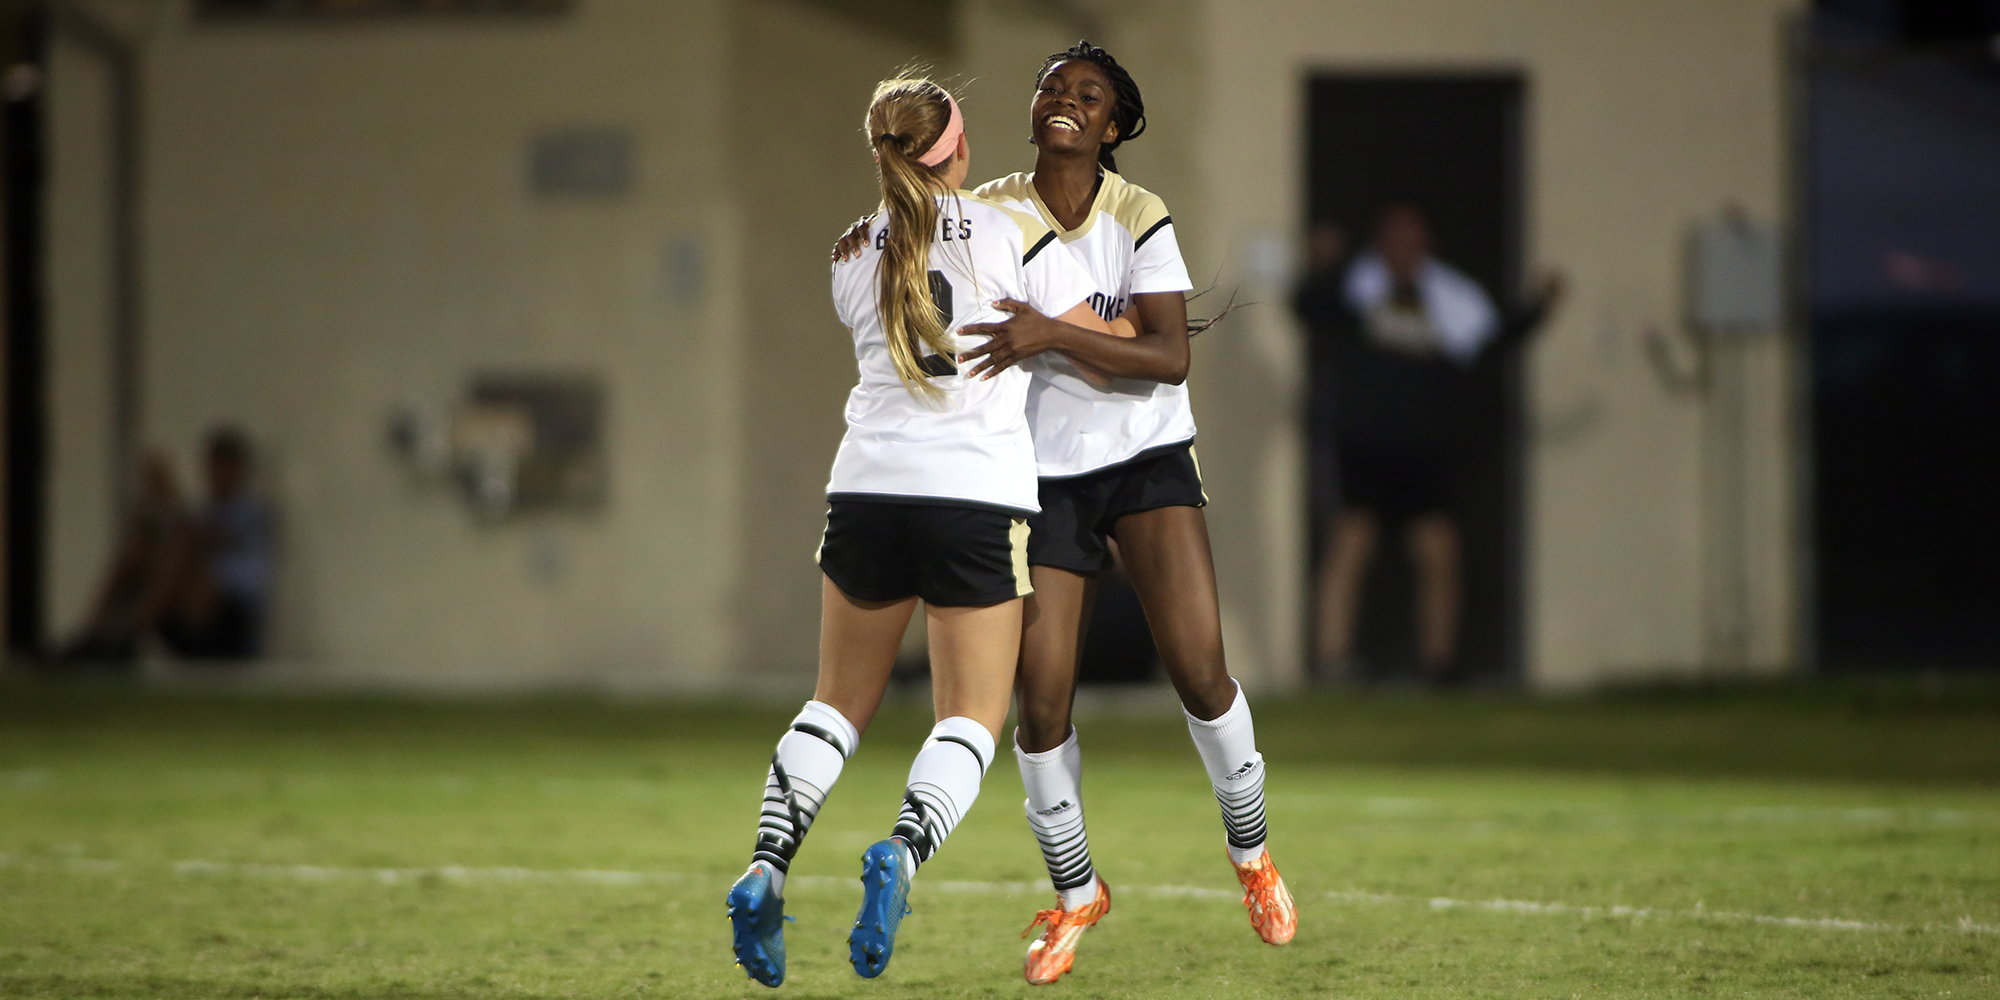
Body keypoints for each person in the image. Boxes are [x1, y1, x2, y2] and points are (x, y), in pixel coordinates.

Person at [841, 41, 1298, 984]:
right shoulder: (990, 210)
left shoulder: (1138, 214)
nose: (1065, 101)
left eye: (1088, 94)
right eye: (1054, 87)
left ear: (1114, 124)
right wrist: (863, 231)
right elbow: (912, 225)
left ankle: (1252, 856)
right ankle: (1077, 891)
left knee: (1203, 672)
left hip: (1145, 460)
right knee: (1039, 705)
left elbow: (1169, 356)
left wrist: (1052, 331)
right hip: (1038, 478)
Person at [725, 74, 1115, 988]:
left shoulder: (848, 252)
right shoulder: (1012, 232)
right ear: (957, 147)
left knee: (833, 705)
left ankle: (766, 865)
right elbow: (1084, 323)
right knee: (973, 718)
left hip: (865, 490)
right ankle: (900, 853)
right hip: (976, 496)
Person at [1293, 205, 1561, 682]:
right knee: (1350, 549)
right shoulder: (1358, 288)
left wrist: (1538, 308)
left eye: (1413, 241)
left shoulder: (1449, 297)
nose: (1403, 251)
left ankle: (1440, 666)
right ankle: (1330, 663)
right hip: (1366, 448)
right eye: (1395, 241)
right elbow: (1308, 307)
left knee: (1439, 554)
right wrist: (1318, 266)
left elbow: (1492, 336)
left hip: (1420, 452)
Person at [59, 426, 272, 664]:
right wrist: (151, 504)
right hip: (190, 616)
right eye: (214, 464)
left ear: (238, 468)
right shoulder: (204, 509)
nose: (217, 473)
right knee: (138, 556)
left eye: (224, 465)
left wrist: (170, 494)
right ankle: (93, 636)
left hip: (229, 621)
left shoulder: (251, 510)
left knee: (179, 560)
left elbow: (204, 539)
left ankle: (127, 640)